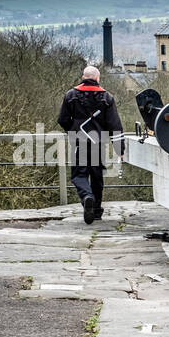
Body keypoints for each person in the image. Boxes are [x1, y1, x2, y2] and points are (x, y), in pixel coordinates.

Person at [57, 66, 124, 225]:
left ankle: (87, 197)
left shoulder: (71, 95)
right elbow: (115, 125)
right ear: (97, 78)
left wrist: (72, 130)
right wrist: (119, 149)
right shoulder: (107, 97)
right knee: (96, 176)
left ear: (83, 77)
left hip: (79, 140)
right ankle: (96, 212)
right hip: (98, 142)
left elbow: (63, 120)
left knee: (79, 175)